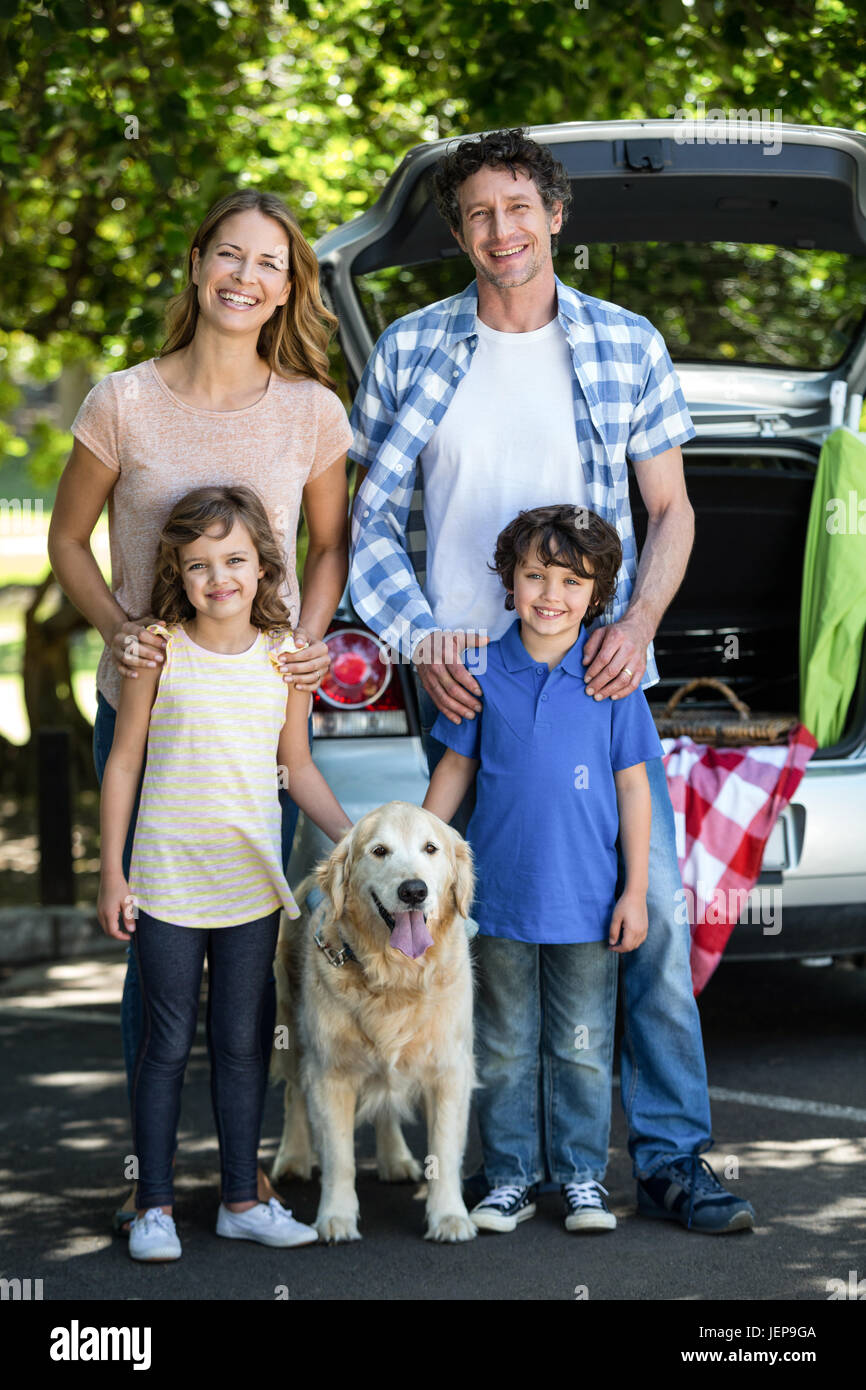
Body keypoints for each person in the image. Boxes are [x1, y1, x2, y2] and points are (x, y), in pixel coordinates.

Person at [349, 128, 755, 1233]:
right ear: (456, 230)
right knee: (458, 935)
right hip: (464, 686)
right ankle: (485, 1166)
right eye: (477, 214)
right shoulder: (411, 347)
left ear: (554, 216)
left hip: (594, 680)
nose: (500, 231)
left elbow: (668, 511)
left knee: (648, 918)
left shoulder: (624, 344)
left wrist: (638, 619)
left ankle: (669, 1159)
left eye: (517, 208)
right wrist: (421, 633)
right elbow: (368, 517)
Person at [47, 189, 352, 1231]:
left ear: (286, 287)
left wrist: (305, 641)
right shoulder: (122, 401)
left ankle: (238, 1180)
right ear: (196, 264)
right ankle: (152, 1182)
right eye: (232, 253)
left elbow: (326, 546)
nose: (247, 275)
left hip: (252, 700)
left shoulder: (311, 409)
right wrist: (120, 628)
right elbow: (67, 539)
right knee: (159, 965)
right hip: (148, 699)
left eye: (270, 262)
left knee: (242, 988)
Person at [98, 484, 353, 1261]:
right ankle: (155, 1209)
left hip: (251, 887)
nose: (220, 578)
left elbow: (297, 766)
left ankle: (243, 1197)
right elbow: (124, 761)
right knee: (167, 1043)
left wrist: (352, 839)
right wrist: (112, 873)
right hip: (167, 881)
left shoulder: (286, 660)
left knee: (245, 1043)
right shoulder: (156, 650)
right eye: (200, 564)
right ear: (177, 569)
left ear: (264, 565)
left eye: (235, 559)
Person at [424, 505, 660, 1233]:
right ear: (509, 581)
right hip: (496, 905)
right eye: (535, 576)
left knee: (583, 1049)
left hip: (588, 907)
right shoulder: (482, 670)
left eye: (570, 580)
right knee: (500, 1046)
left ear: (598, 595)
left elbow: (633, 788)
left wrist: (637, 891)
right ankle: (509, 1179)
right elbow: (455, 772)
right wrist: (421, 869)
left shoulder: (611, 677)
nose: (550, 594)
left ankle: (584, 1178)